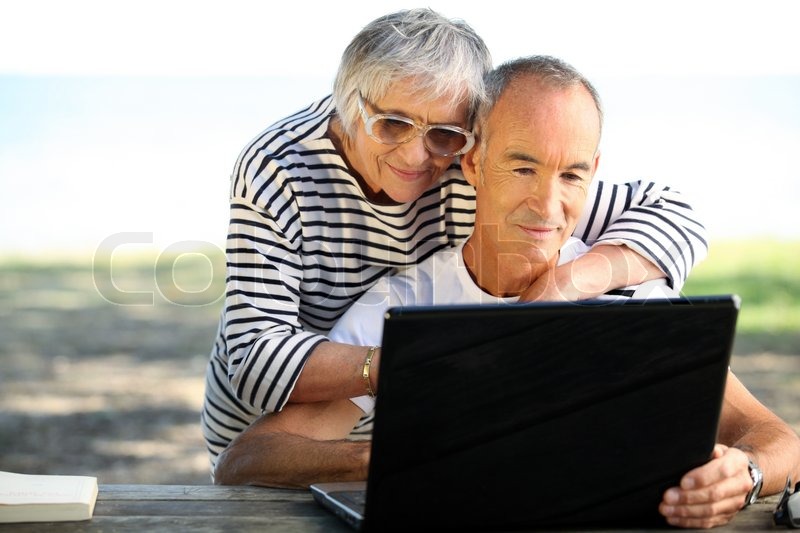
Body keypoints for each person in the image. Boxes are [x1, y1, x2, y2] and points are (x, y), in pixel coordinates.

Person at [213, 55, 800, 529]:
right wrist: (387, 461)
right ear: (472, 164)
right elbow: (248, 457)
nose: (548, 206)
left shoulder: (634, 301)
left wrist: (743, 473)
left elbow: (776, 439)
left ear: (593, 173)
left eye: (571, 175)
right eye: (522, 168)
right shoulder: (404, 309)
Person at [202, 8, 709, 477]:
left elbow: (672, 216)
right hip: (275, 428)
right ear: (349, 103)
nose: (417, 154)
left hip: (415, 425)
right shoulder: (280, 168)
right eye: (393, 124)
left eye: (442, 133)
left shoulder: (462, 156)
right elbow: (254, 355)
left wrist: (560, 285)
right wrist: (425, 361)